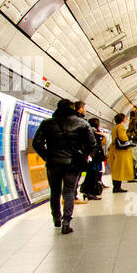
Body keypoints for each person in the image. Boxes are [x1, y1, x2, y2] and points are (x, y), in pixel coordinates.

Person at [33, 99, 96, 234]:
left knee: (54, 192)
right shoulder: (82, 123)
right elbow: (92, 144)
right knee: (68, 192)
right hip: (72, 164)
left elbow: (36, 143)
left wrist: (47, 156)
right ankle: (66, 223)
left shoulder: (47, 123)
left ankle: (56, 218)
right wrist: (82, 155)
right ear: (72, 109)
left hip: (53, 164)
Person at [107, 112, 135, 192]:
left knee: (116, 170)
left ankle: (116, 187)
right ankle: (117, 187)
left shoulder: (115, 127)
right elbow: (123, 138)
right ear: (123, 119)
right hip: (120, 152)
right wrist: (128, 141)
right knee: (120, 169)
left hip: (114, 150)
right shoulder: (121, 127)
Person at [80, 117, 107, 199]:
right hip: (94, 156)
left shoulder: (90, 131)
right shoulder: (94, 132)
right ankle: (90, 192)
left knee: (92, 174)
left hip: (93, 156)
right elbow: (98, 144)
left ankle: (89, 192)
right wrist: (103, 136)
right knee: (93, 174)